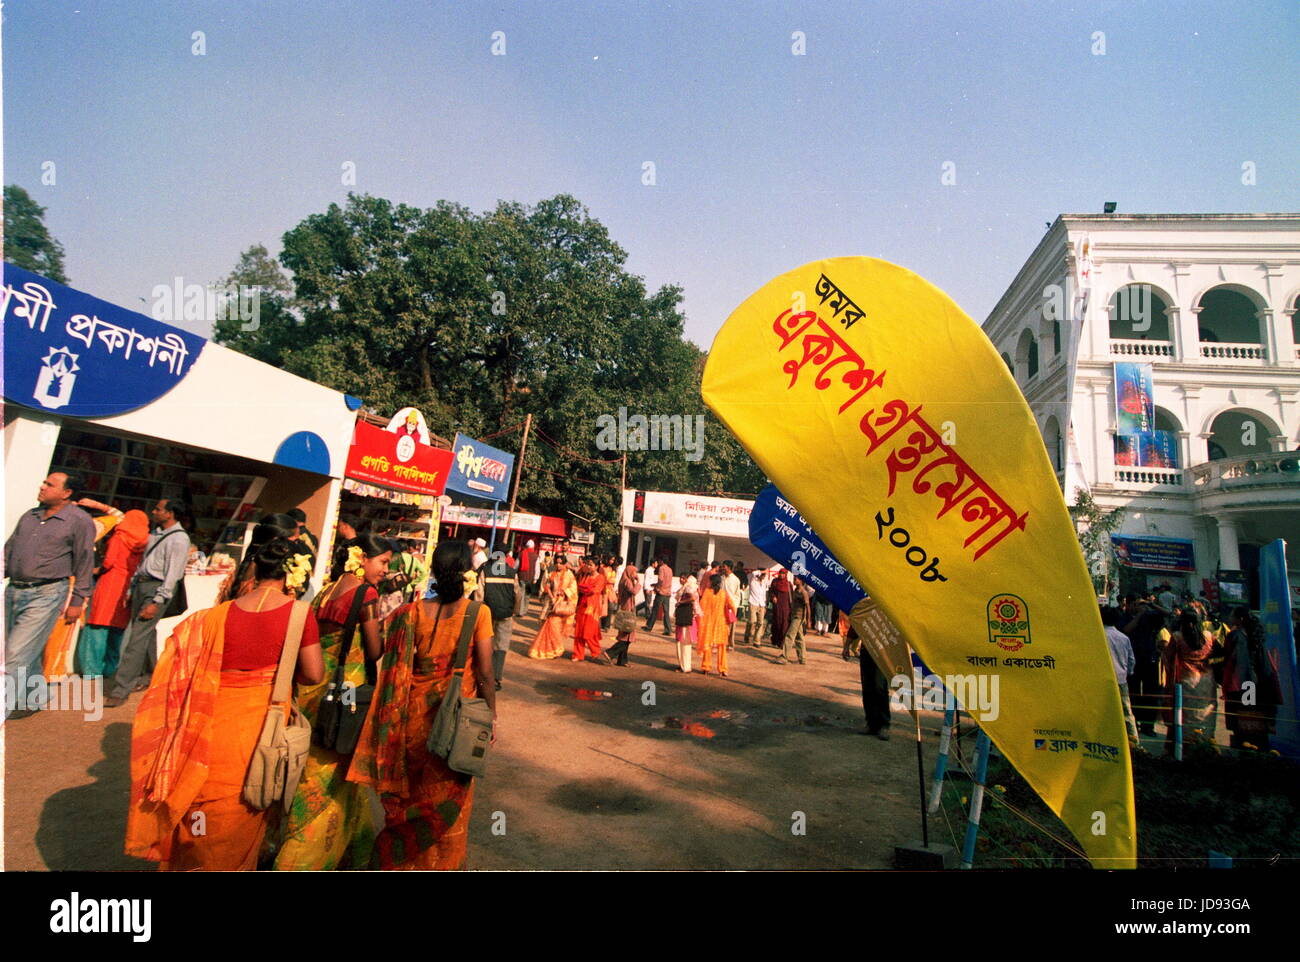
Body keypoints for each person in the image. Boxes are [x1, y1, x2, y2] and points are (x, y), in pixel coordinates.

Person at [125, 538, 325, 870]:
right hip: (258, 735)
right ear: (292, 576)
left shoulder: (216, 615)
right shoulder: (299, 613)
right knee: (239, 818)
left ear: (255, 569)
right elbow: (314, 673)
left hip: (204, 731)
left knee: (198, 811)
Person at [347, 539, 497, 869]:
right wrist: (491, 715)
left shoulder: (411, 612)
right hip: (457, 726)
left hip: (412, 723)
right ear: (467, 573)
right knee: (447, 812)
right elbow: (485, 673)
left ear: (433, 571)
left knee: (413, 802)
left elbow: (392, 657)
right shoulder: (477, 613)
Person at [274, 534, 391, 870]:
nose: (385, 570)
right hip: (348, 695)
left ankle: (352, 845)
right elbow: (373, 650)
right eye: (382, 562)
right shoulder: (365, 594)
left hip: (317, 689)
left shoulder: (329, 587)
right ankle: (302, 858)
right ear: (362, 559)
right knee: (329, 775)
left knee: (328, 768)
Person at [4, 472, 97, 719]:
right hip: (14, 590)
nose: (42, 487)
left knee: (14, 654)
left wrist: (78, 600)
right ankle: (35, 697)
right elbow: (9, 550)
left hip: (46, 594)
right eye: (44, 482)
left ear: (67, 493)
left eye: (49, 484)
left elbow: (85, 561)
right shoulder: (30, 516)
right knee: (22, 650)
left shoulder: (79, 521)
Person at [104, 500, 192, 709]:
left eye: (158, 510)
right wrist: (131, 589)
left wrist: (158, 600)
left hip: (156, 590)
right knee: (146, 634)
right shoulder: (156, 534)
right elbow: (144, 564)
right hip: (142, 586)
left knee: (136, 639)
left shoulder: (179, 539)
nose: (154, 512)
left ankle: (120, 689)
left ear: (170, 514)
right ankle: (150, 674)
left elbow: (173, 575)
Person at [76, 506, 151, 679]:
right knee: (117, 630)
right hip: (128, 585)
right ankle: (109, 668)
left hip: (110, 582)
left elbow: (109, 562)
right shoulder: (147, 541)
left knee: (97, 626)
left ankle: (91, 670)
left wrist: (96, 570)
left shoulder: (120, 536)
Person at [1223, 606, 1281, 751]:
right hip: (1260, 683)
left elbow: (1232, 660)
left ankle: (1246, 752)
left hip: (1244, 684)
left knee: (1244, 721)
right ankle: (1259, 752)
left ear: (1240, 619)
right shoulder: (1258, 634)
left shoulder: (1235, 635)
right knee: (1257, 721)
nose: (1230, 619)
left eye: (1232, 616)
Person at [1160, 610, 1217, 751]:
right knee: (1205, 712)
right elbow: (1216, 656)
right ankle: (1205, 743)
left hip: (1185, 679)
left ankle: (1181, 746)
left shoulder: (1178, 637)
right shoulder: (1209, 637)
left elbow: (1168, 657)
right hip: (1206, 680)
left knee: (1183, 712)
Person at [1122, 601, 1165, 736]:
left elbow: (1167, 613)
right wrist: (1139, 615)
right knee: (1133, 692)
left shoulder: (1151, 617)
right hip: (1133, 659)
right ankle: (1134, 723)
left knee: (1151, 693)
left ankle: (1148, 726)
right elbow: (1126, 630)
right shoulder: (1127, 617)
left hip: (1150, 658)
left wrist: (1151, 604)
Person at [480, 549, 522, 689]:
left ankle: (482, 676)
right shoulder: (511, 572)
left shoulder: (485, 570)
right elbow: (517, 594)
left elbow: (479, 593)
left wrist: (479, 611)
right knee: (501, 646)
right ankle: (496, 679)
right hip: (505, 614)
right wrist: (514, 611)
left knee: (485, 643)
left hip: (487, 613)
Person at [842, 621, 889, 739]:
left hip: (883, 652)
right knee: (867, 688)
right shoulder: (866, 606)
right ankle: (871, 724)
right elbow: (857, 624)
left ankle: (884, 725)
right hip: (867, 651)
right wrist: (846, 646)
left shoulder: (888, 608)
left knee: (880, 687)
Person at [1100, 605, 1139, 741]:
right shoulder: (1123, 638)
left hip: (1101, 681)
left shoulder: (1097, 637)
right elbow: (1131, 660)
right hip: (1121, 680)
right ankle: (1134, 742)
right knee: (1127, 713)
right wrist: (1129, 672)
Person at [530, 555, 575, 660]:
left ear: (565, 564)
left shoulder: (570, 575)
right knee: (548, 626)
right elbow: (547, 586)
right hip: (551, 603)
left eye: (560, 563)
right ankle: (552, 649)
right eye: (557, 563)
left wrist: (564, 593)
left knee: (555, 628)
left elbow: (573, 589)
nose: (558, 565)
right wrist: (552, 597)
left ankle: (556, 649)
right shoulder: (551, 574)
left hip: (562, 605)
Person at [573, 560, 612, 664]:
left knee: (588, 631)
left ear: (596, 566)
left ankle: (596, 652)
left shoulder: (601, 578)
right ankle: (578, 654)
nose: (589, 567)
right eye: (588, 565)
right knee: (579, 631)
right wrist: (584, 588)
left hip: (593, 607)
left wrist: (585, 588)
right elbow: (579, 586)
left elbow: (596, 590)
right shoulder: (586, 576)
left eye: (591, 565)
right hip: (582, 605)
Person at [697, 573, 736, 677]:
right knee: (722, 647)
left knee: (708, 646)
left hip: (709, 624)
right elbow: (732, 606)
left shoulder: (707, 593)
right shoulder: (723, 594)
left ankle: (706, 667)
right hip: (721, 624)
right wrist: (731, 617)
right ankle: (722, 669)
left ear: (712, 582)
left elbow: (701, 607)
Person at [606, 563, 639, 667]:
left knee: (626, 637)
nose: (635, 574)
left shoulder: (625, 580)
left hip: (626, 609)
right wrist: (638, 582)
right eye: (634, 572)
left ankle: (622, 660)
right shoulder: (627, 581)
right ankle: (610, 652)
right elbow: (634, 591)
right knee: (627, 636)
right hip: (627, 611)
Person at [780, 575, 811, 664]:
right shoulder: (795, 591)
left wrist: (809, 621)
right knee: (799, 637)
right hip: (794, 616)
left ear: (801, 581)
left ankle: (784, 657)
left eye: (795, 579)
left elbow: (808, 607)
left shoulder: (803, 592)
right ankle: (802, 658)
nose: (794, 580)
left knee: (790, 636)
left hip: (799, 617)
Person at [674, 574, 700, 672]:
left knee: (683, 642)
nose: (682, 579)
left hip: (685, 617)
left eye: (684, 578)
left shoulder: (688, 589)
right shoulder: (686, 589)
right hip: (686, 617)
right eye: (681, 577)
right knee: (684, 643)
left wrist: (681, 602)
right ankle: (684, 665)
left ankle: (684, 666)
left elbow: (692, 598)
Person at [647, 558, 674, 635]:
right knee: (666, 612)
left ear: (662, 561)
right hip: (667, 592)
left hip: (661, 592)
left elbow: (661, 580)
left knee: (655, 610)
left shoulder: (662, 568)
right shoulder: (670, 570)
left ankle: (649, 626)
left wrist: (656, 587)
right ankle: (668, 629)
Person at [744, 569, 769, 646]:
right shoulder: (752, 580)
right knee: (752, 621)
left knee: (760, 623)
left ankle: (757, 641)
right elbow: (752, 573)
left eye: (764, 575)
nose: (764, 576)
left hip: (761, 604)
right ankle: (747, 635)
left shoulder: (764, 583)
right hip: (753, 603)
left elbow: (765, 594)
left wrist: (765, 605)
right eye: (762, 574)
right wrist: (762, 571)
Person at [769, 570, 792, 651]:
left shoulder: (789, 584)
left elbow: (791, 597)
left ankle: (782, 643)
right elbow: (771, 591)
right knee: (777, 623)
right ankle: (775, 640)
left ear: (786, 575)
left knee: (785, 624)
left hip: (786, 608)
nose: (782, 575)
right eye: (781, 573)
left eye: (783, 574)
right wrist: (773, 597)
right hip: (777, 607)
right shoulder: (775, 582)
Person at [721, 561, 742, 650]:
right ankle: (721, 642)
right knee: (722, 624)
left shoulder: (735, 579)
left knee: (732, 625)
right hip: (721, 604)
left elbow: (737, 594)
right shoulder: (721, 578)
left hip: (732, 605)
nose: (722, 568)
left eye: (724, 566)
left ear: (729, 567)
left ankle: (730, 644)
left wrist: (734, 606)